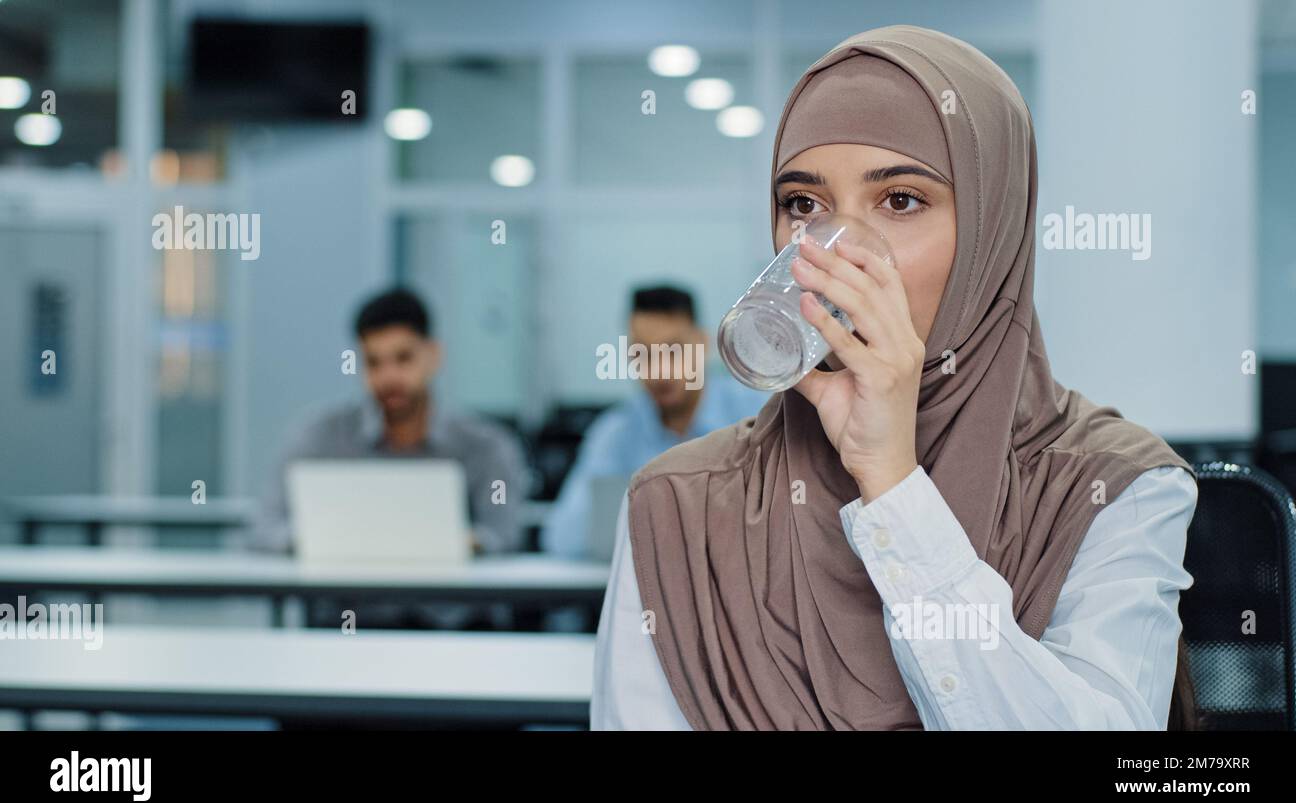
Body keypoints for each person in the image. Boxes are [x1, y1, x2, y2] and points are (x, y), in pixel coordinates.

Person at [592, 25, 1199, 730]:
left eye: (900, 201)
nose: (832, 257)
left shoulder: (1115, 486)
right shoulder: (678, 506)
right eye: (804, 206)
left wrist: (893, 483)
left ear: (991, 233)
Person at [251, 288, 528, 559]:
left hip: (445, 602)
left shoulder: (485, 446)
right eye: (373, 362)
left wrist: (462, 543)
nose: (389, 376)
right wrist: (318, 540)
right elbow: (266, 527)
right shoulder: (319, 436)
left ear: (433, 355)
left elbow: (503, 533)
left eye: (403, 358)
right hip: (351, 602)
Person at [540, 285, 768, 558]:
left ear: (702, 344)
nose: (659, 370)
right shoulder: (615, 432)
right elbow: (561, 538)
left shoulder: (758, 414)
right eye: (643, 353)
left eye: (673, 351)